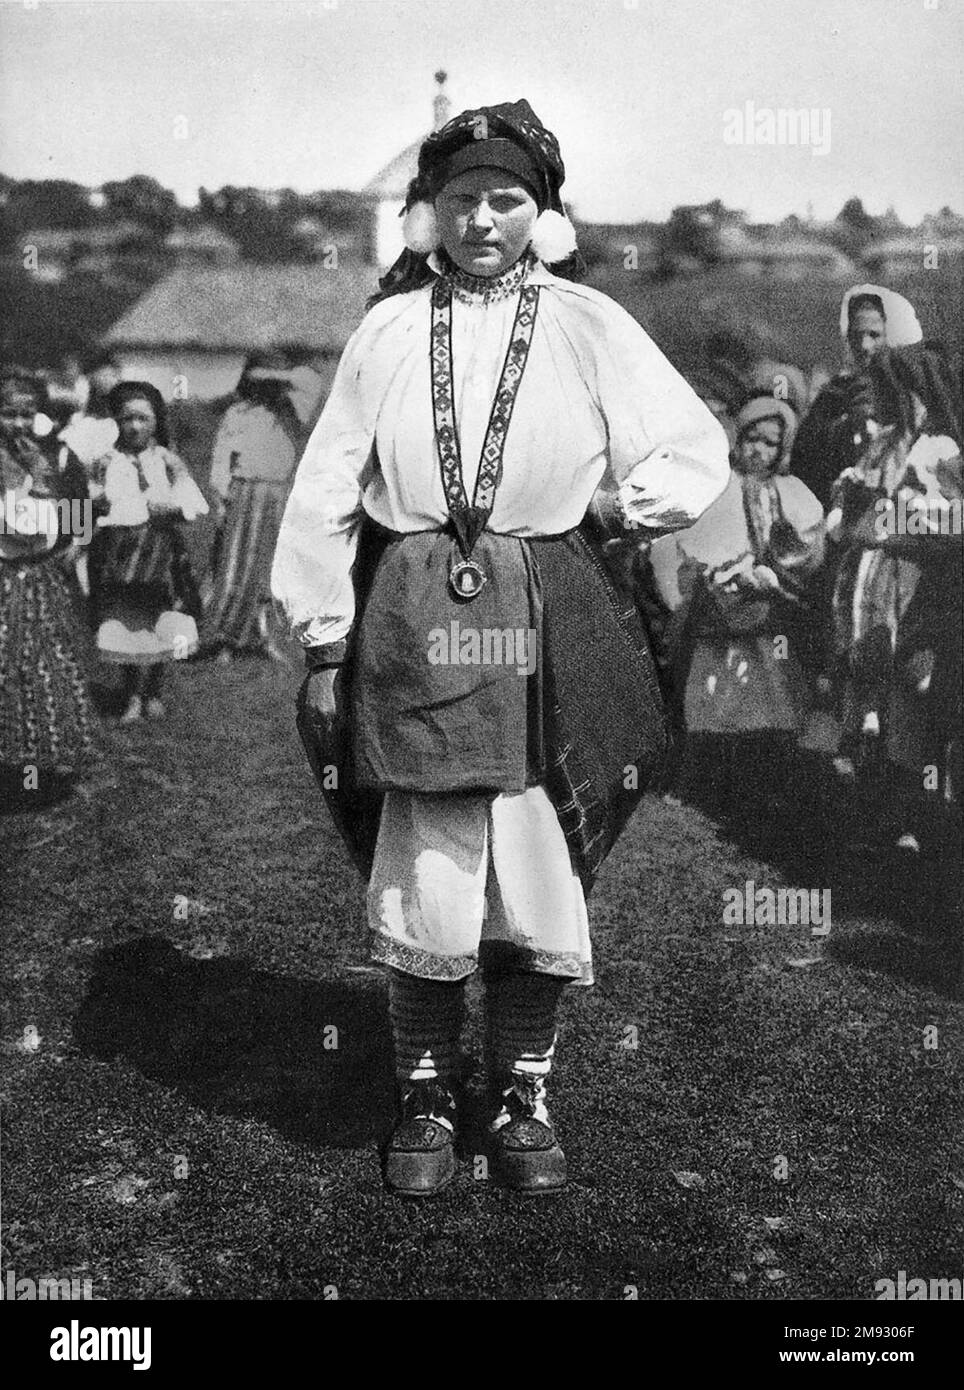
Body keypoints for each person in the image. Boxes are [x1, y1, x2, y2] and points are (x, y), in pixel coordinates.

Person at [272, 100, 729, 1197]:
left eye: (507, 198)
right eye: (463, 198)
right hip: (417, 611)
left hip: (545, 603)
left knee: (537, 859)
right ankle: (426, 1096)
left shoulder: (584, 321)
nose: (483, 218)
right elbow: (327, 484)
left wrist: (622, 511)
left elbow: (692, 444)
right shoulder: (387, 330)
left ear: (543, 214)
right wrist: (325, 638)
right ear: (430, 212)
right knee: (430, 859)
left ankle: (523, 1092)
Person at [650, 395, 825, 820]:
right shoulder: (718, 486)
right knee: (710, 698)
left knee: (770, 695)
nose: (759, 451)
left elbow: (808, 542)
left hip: (765, 617)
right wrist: (716, 571)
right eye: (752, 439)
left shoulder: (788, 492)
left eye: (770, 443)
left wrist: (771, 573)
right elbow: (695, 537)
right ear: (738, 438)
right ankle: (698, 777)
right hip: (717, 610)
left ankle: (766, 782)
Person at [827, 340, 962, 852]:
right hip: (890, 580)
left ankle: (924, 818)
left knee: (922, 693)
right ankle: (892, 814)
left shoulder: (940, 449)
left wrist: (895, 518)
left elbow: (950, 518)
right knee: (888, 695)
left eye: (898, 391)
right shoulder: (892, 443)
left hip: (928, 587)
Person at [87, 382, 208, 723]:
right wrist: (93, 509)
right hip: (119, 552)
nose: (135, 427)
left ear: (157, 421)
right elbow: (82, 506)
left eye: (143, 418)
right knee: (126, 622)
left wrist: (171, 507)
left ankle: (152, 688)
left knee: (160, 620)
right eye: (127, 419)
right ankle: (130, 692)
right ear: (117, 422)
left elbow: (194, 505)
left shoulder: (169, 461)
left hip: (160, 550)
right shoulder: (105, 461)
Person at [0, 366, 96, 792]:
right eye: (8, 414)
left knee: (43, 661)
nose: (19, 424)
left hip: (42, 576)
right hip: (4, 574)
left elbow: (78, 500)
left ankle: (36, 758)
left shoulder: (53, 456)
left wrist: (77, 541)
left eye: (27, 414)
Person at [203, 353, 303, 660]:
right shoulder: (238, 413)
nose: (268, 386)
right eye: (262, 379)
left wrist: (277, 377)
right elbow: (221, 459)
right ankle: (226, 640)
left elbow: (310, 383)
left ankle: (263, 637)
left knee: (271, 570)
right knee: (237, 567)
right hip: (245, 494)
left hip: (278, 494)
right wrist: (221, 498)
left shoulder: (291, 411)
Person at [790, 284, 923, 509]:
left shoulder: (913, 396)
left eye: (874, 335)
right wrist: (843, 426)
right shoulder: (832, 396)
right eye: (857, 336)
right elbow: (803, 465)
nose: (865, 346)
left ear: (890, 336)